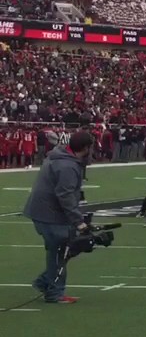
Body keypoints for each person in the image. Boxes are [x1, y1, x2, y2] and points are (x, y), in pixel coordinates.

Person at [22, 130, 94, 305]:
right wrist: (79, 222)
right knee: (60, 251)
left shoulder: (61, 157)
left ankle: (45, 282)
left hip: (44, 211)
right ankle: (54, 292)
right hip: (49, 214)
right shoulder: (67, 166)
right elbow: (65, 195)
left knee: (62, 251)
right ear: (85, 148)